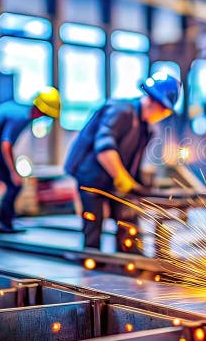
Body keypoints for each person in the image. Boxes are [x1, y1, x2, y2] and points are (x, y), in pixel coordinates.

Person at [64, 73, 181, 253]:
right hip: (91, 176)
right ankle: (92, 260)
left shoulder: (145, 128)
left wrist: (139, 187)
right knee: (93, 222)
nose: (164, 115)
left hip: (112, 178)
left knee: (128, 219)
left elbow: (134, 162)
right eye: (164, 110)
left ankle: (129, 256)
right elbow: (104, 149)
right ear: (153, 101)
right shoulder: (121, 111)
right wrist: (122, 177)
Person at [0, 87, 61, 234]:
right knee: (14, 184)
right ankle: (2, 221)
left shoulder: (19, 110)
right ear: (41, 111)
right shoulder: (22, 117)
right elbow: (6, 145)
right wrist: (13, 172)